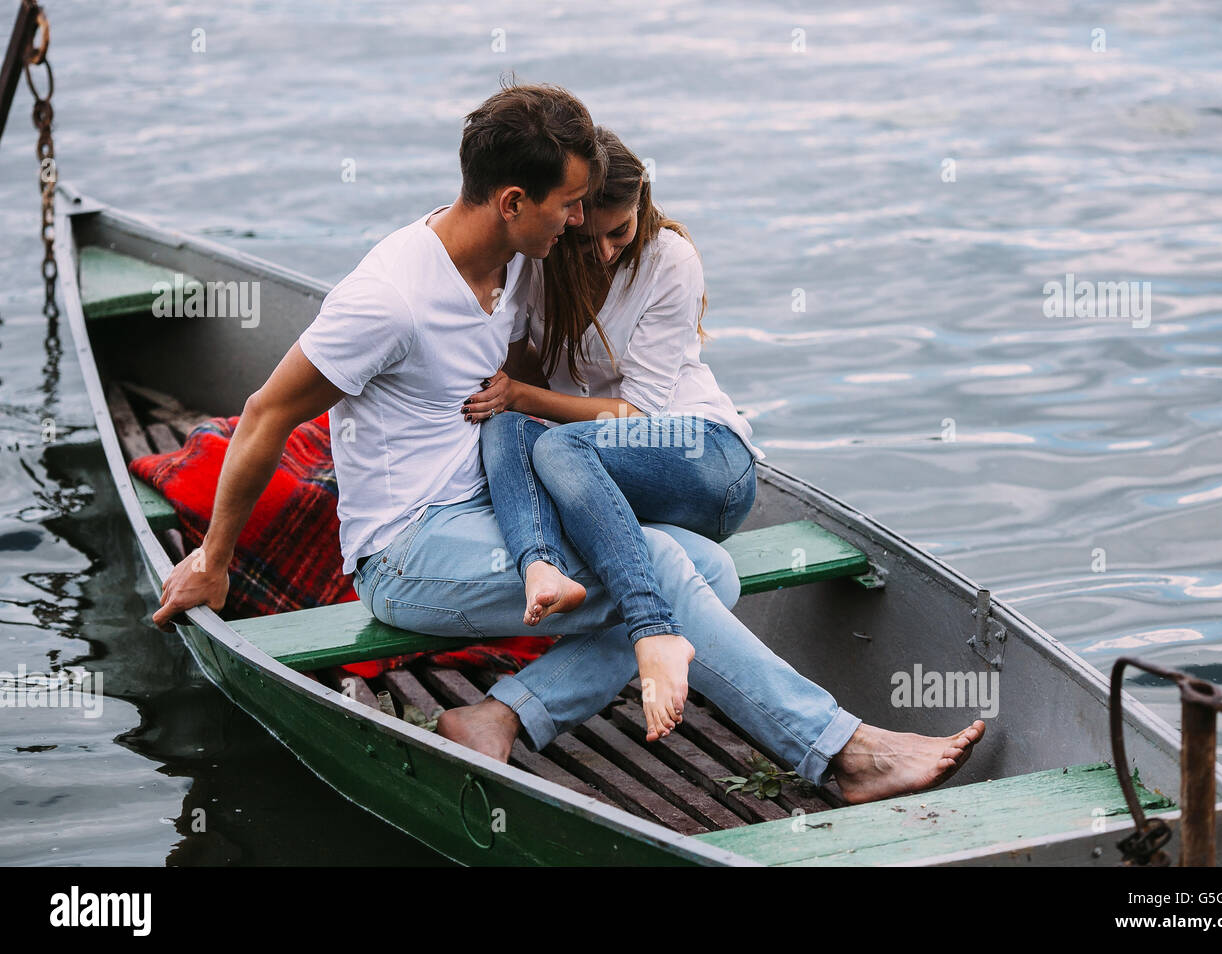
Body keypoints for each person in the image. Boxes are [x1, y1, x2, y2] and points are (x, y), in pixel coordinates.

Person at [152, 81, 984, 804]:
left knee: (715, 569)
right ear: (513, 201)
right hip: (408, 549)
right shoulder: (390, 298)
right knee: (658, 572)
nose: (583, 223)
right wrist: (216, 560)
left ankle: (502, 713)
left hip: (497, 517)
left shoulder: (513, 263)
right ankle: (841, 750)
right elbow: (266, 414)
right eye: (570, 206)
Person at [465, 126, 764, 740]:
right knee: (508, 429)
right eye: (585, 236)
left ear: (643, 207)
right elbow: (509, 368)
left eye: (618, 232)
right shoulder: (540, 260)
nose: (602, 252)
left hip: (703, 456)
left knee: (549, 438)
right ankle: (541, 578)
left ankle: (651, 628)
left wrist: (522, 396)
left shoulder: (669, 261)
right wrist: (502, 393)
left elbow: (641, 416)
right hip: (602, 472)